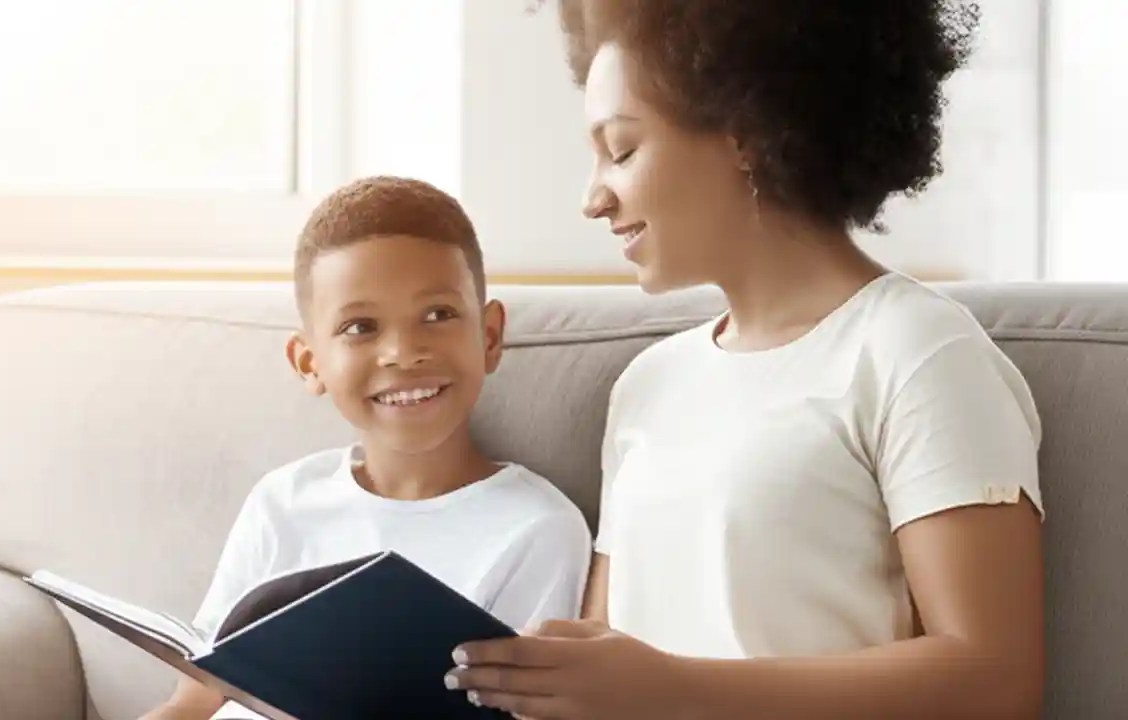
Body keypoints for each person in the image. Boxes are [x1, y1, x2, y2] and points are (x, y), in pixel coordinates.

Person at [445, 2, 1045, 719]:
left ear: (746, 134)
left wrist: (672, 691)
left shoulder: (917, 353)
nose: (593, 197)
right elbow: (611, 655)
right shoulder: (648, 384)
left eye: (623, 150)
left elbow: (995, 677)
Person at [141, 176, 592, 720]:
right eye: (361, 327)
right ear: (310, 363)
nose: (403, 353)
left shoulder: (538, 529)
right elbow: (197, 695)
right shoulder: (283, 500)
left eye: (437, 315)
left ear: (490, 336)